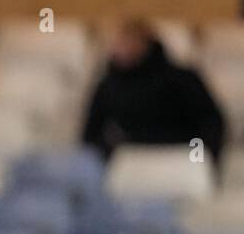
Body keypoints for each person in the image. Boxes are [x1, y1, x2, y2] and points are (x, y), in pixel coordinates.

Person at [82, 19, 225, 166]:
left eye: (129, 41)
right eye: (118, 42)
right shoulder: (108, 85)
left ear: (145, 43)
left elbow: (211, 123)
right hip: (130, 163)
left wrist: (200, 160)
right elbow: (91, 135)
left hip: (179, 160)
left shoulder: (182, 79)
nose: (121, 47)